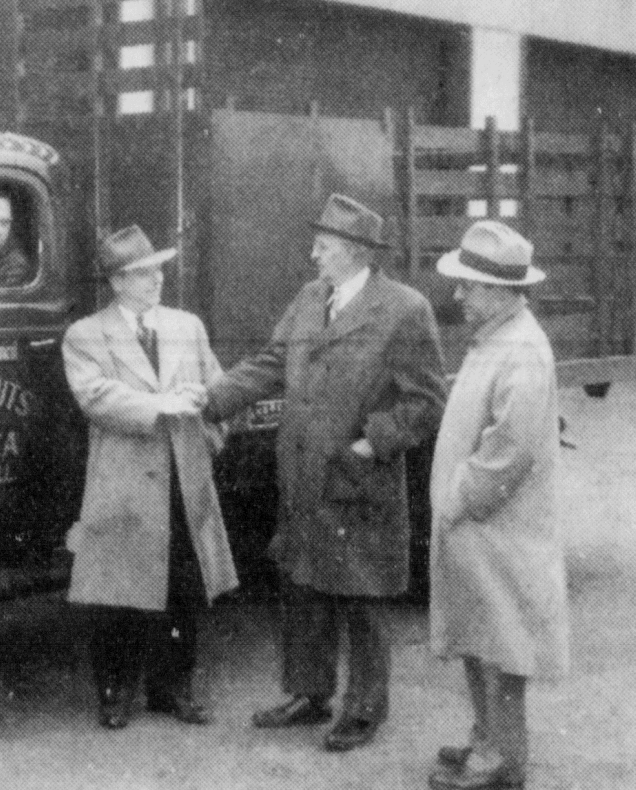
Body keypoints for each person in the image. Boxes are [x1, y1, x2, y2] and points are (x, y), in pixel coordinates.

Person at [203, 194, 445, 752]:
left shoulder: (404, 309)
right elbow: (271, 363)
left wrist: (371, 443)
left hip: (358, 476)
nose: (313, 255)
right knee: (301, 581)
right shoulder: (311, 298)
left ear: (357, 253)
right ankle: (309, 694)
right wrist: (213, 398)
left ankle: (364, 709)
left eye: (325, 246)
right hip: (302, 470)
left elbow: (427, 401)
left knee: (361, 592)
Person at [62, 224, 239, 730]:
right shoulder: (86, 334)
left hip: (184, 479)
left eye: (157, 269)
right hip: (123, 484)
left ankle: (174, 690)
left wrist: (213, 434)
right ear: (116, 282)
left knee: (183, 587)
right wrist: (163, 405)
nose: (155, 279)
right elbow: (95, 398)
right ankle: (115, 693)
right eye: (142, 273)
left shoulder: (187, 325)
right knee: (116, 594)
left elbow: (218, 389)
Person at [427, 220, 569, 790]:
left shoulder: (522, 351)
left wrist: (458, 499)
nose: (457, 294)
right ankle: (485, 741)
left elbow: (509, 454)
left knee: (503, 646)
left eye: (468, 285)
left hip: (497, 525)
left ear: (502, 291)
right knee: (478, 637)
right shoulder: (497, 338)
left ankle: (504, 763)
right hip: (477, 525)